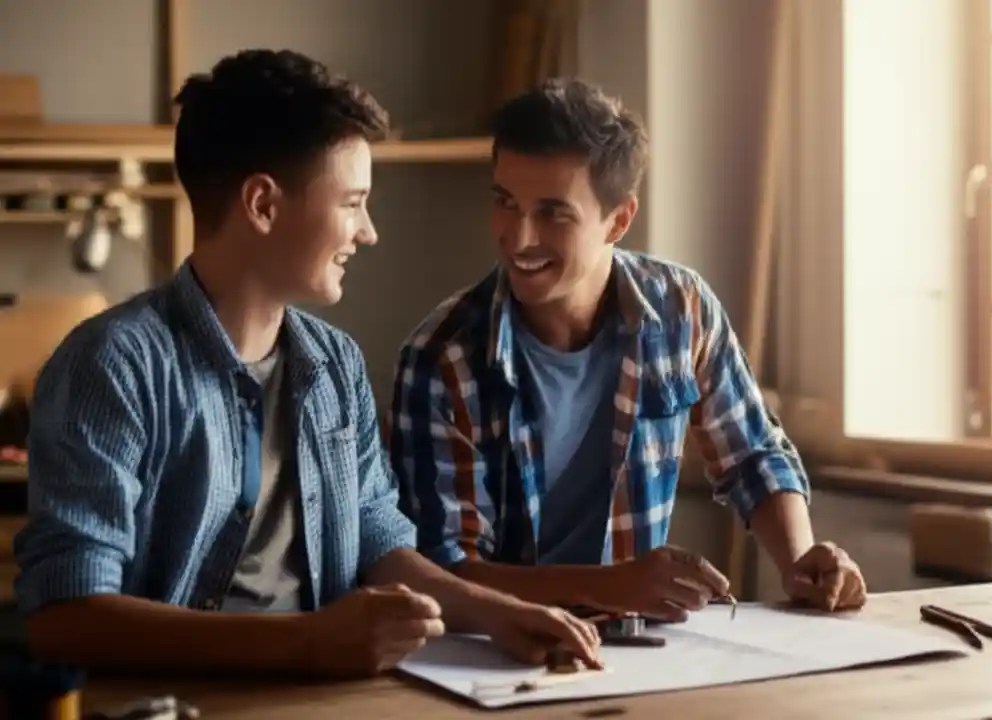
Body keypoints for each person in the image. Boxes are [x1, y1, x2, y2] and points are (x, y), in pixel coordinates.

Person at [14, 50, 599, 677]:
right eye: (351, 203)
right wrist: (309, 643)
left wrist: (494, 612)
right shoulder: (114, 366)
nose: (368, 231)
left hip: (328, 695)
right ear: (263, 205)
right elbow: (64, 615)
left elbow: (378, 538)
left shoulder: (335, 363)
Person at [391, 78, 867, 622]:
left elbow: (755, 457)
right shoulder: (442, 356)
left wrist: (803, 561)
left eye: (553, 213)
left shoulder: (682, 308)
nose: (518, 237)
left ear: (619, 220)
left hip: (640, 647)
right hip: (493, 655)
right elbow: (445, 570)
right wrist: (608, 587)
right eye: (505, 202)